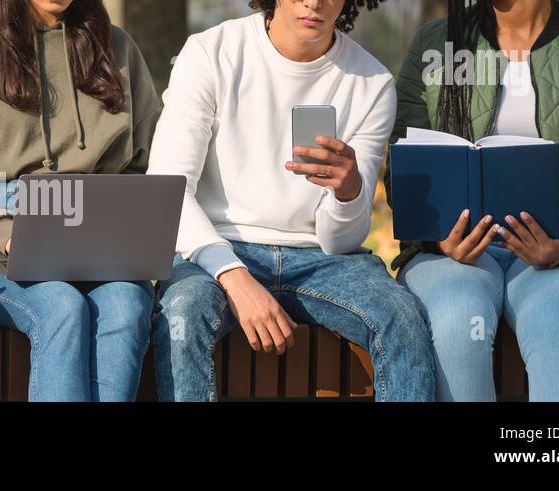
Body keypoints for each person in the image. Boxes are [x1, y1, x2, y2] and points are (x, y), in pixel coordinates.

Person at [148, 0, 435, 402]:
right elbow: (168, 190)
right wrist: (234, 275)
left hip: (323, 259)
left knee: (401, 317)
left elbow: (341, 240)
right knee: (181, 313)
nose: (314, 2)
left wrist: (348, 191)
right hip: (216, 250)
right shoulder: (210, 53)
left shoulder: (372, 83)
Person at [391, 0, 559, 402]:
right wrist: (439, 239)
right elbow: (404, 163)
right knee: (458, 320)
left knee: (550, 319)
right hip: (450, 256)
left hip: (558, 256)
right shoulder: (437, 43)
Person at [0, 0, 162, 402]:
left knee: (126, 305)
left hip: (101, 246)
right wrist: (3, 232)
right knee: (61, 306)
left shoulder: (117, 46)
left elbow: (151, 164)